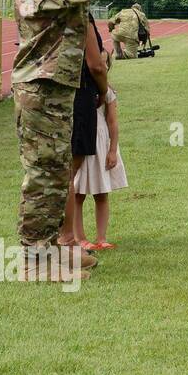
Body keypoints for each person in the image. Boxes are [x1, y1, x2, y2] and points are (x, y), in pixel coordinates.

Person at [12, 0, 115, 282]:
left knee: (55, 172)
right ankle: (33, 262)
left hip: (47, 87)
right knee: (44, 175)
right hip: (43, 88)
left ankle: (52, 250)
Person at [60, 13, 110, 251]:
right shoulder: (79, 13)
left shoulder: (44, 11)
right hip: (79, 95)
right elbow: (96, 65)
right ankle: (68, 240)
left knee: (52, 171)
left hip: (47, 98)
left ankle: (55, 237)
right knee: (69, 173)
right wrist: (103, 91)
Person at [74, 74, 128, 251]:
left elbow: (112, 121)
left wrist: (112, 150)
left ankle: (101, 238)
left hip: (100, 142)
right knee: (77, 193)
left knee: (102, 193)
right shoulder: (78, 89)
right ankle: (79, 238)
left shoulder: (108, 92)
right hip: (81, 139)